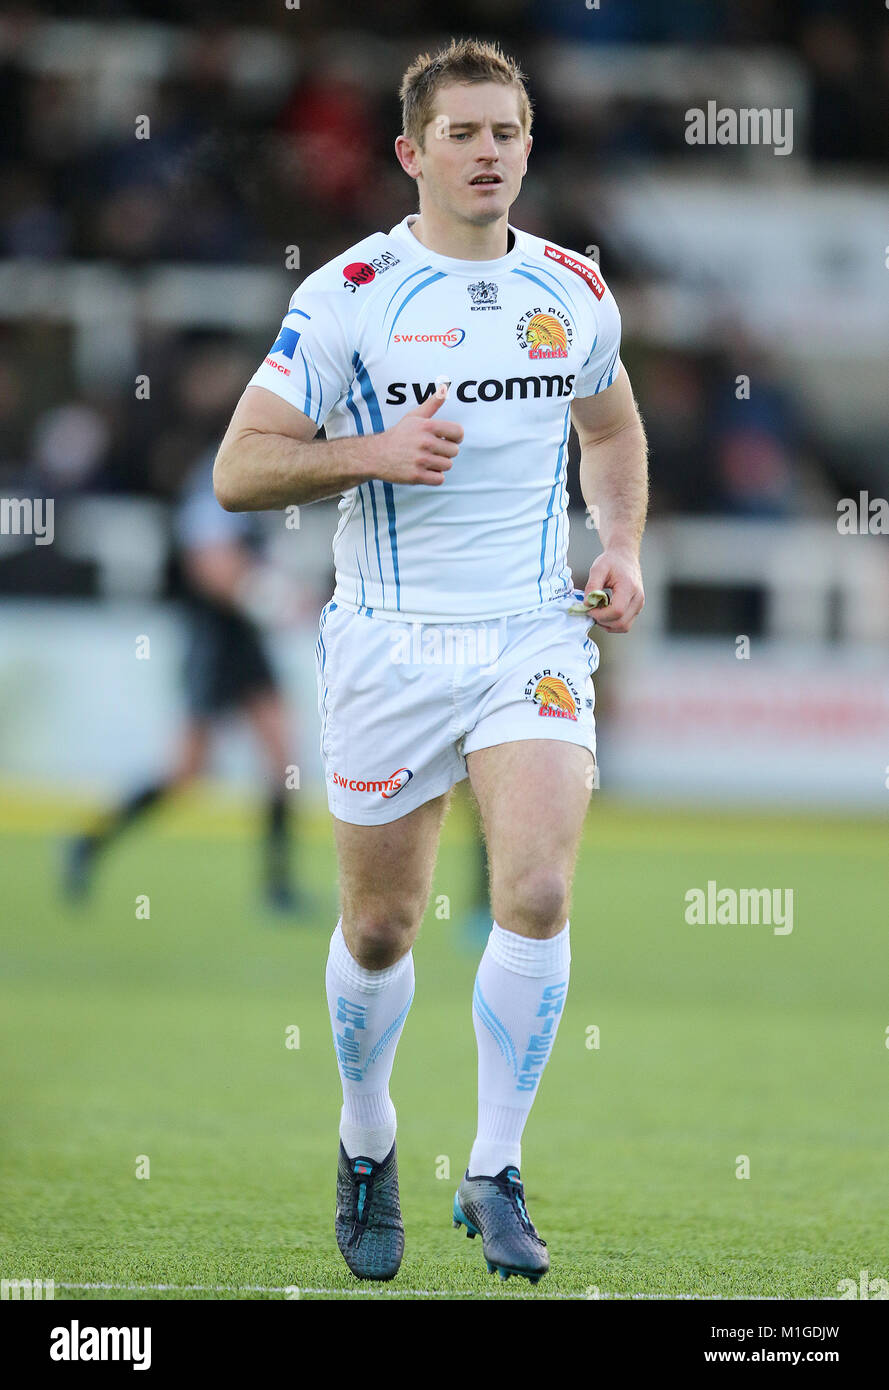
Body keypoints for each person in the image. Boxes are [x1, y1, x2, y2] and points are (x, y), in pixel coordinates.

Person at [214, 37, 648, 1284]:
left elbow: (609, 423)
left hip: (531, 630)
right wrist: (372, 451)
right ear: (411, 153)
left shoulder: (572, 289)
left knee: (538, 894)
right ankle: (366, 1138)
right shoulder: (348, 293)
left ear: (527, 145)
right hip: (390, 645)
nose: (487, 152)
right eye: (460, 134)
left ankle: (496, 1168)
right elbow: (241, 467)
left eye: (505, 131)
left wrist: (616, 542)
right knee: (382, 925)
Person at [64, 450, 308, 917]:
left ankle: (278, 888)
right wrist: (270, 597)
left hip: (244, 641)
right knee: (187, 773)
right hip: (214, 642)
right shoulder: (215, 481)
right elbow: (212, 565)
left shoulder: (245, 480)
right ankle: (87, 842)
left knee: (283, 760)